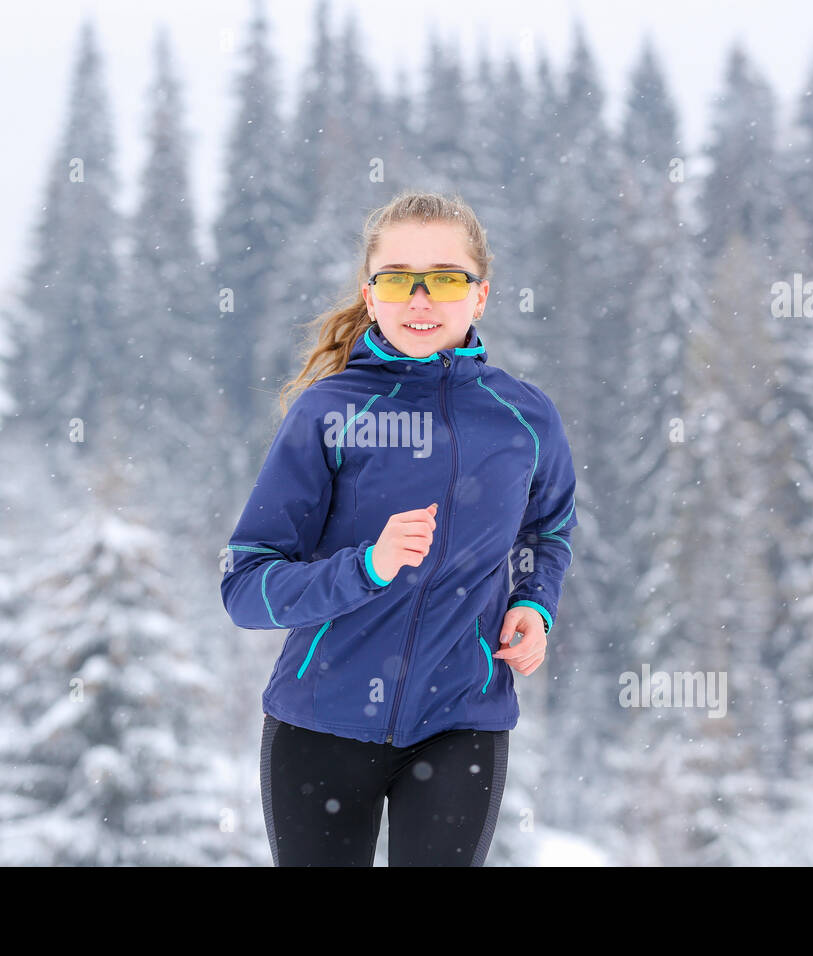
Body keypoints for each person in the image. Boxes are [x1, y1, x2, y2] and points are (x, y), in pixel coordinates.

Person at [220, 189, 578, 866]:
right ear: (370, 292)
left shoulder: (525, 417)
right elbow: (246, 587)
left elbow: (547, 529)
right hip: (319, 724)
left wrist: (535, 603)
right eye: (398, 280)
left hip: (460, 722)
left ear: (480, 295)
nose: (421, 299)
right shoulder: (328, 413)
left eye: (445, 279)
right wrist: (366, 569)